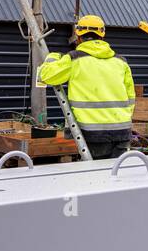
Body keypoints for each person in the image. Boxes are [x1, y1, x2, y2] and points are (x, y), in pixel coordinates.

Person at [37, 14, 135, 160]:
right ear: (102, 36)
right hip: (121, 133)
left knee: (92, 179)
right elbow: (131, 99)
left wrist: (53, 57)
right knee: (117, 177)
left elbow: (46, 75)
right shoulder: (121, 62)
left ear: (78, 36)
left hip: (90, 135)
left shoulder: (74, 59)